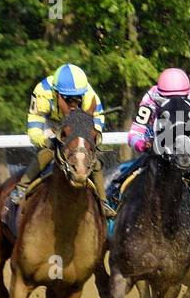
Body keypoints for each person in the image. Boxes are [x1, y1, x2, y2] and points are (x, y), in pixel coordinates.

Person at [8, 63, 114, 217]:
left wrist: (91, 136)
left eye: (77, 98)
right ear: (56, 92)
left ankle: (103, 202)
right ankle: (22, 187)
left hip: (78, 124)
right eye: (67, 98)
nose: (72, 103)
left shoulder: (90, 95)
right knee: (48, 151)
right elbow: (34, 124)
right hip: (51, 123)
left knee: (92, 159)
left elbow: (97, 119)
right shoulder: (42, 92)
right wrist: (44, 140)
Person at [105, 67, 190, 217]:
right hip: (156, 152)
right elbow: (134, 133)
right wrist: (143, 143)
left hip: (184, 154)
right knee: (120, 180)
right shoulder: (151, 98)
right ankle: (114, 195)